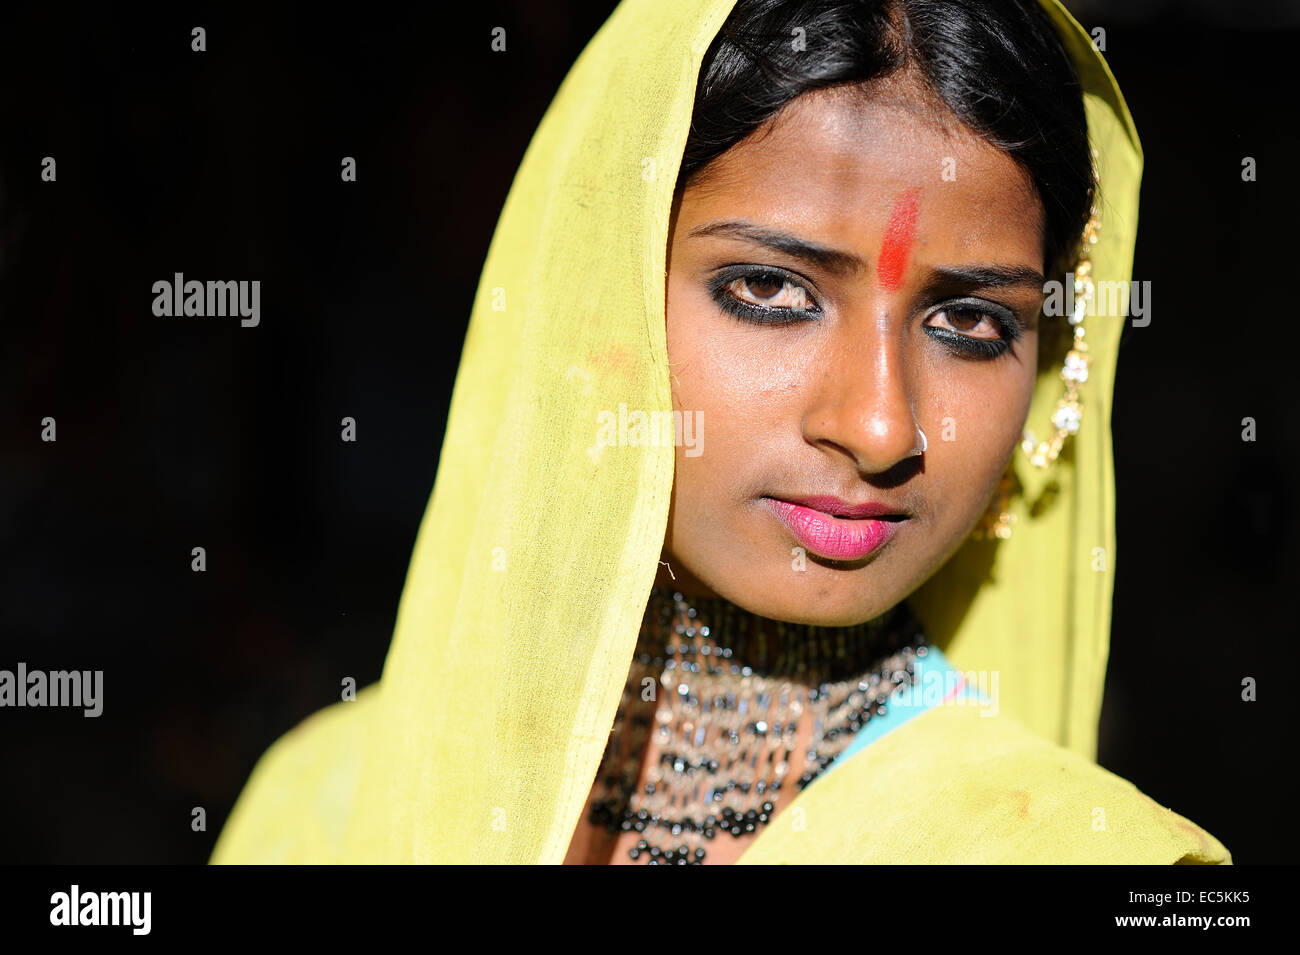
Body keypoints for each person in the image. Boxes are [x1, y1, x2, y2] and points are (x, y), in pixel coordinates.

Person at [211, 0, 1231, 864]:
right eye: (770, 289)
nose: (879, 424)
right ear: (594, 305)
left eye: (970, 321)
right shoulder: (318, 809)